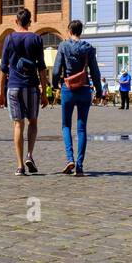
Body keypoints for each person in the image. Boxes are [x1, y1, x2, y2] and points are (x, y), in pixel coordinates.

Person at [0, 8, 48, 175]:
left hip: (13, 86)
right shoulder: (36, 39)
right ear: (30, 22)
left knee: (18, 124)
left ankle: (20, 166)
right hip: (31, 86)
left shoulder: (9, 38)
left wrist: (0, 92)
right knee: (32, 122)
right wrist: (44, 92)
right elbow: (42, 68)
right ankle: (30, 155)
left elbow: (3, 68)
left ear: (16, 21)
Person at [51, 20, 104, 176]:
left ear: (69, 31)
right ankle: (80, 165)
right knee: (81, 128)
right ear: (81, 31)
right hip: (84, 89)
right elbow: (95, 72)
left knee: (66, 125)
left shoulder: (63, 46)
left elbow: (55, 71)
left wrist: (55, 85)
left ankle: (70, 159)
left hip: (68, 88)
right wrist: (99, 91)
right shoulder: (88, 48)